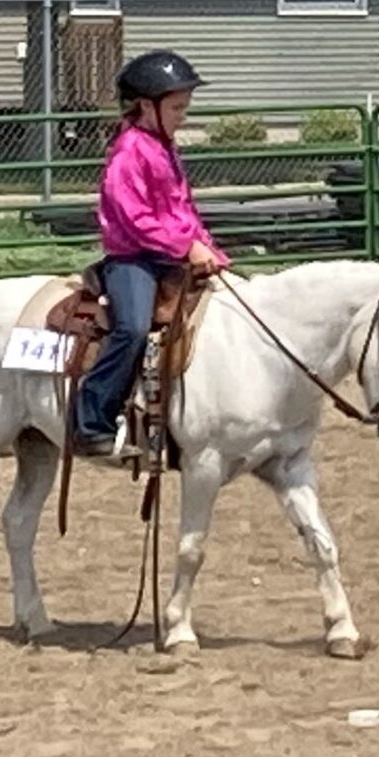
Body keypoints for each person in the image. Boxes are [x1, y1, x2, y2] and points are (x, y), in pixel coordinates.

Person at [71, 50, 230, 459]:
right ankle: (92, 420)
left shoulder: (165, 148)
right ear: (147, 106)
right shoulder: (128, 153)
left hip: (170, 255)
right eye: (177, 107)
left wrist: (210, 249)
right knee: (133, 328)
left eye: (185, 106)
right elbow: (137, 218)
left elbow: (184, 209)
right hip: (134, 259)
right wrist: (185, 246)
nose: (184, 115)